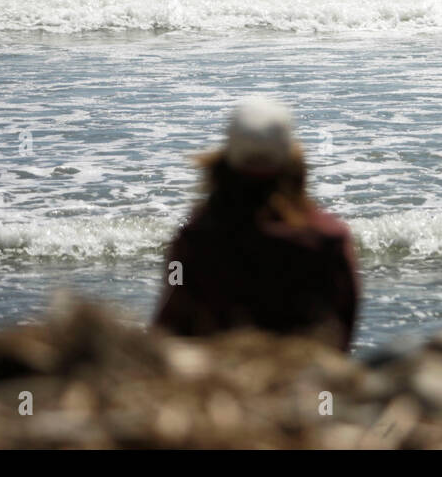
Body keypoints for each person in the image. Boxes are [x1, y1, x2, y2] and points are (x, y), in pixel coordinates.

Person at [153, 96, 359, 351]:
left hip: (216, 381)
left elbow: (170, 322)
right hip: (303, 382)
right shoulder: (329, 239)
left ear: (226, 158)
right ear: (292, 158)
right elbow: (342, 330)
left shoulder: (194, 239)